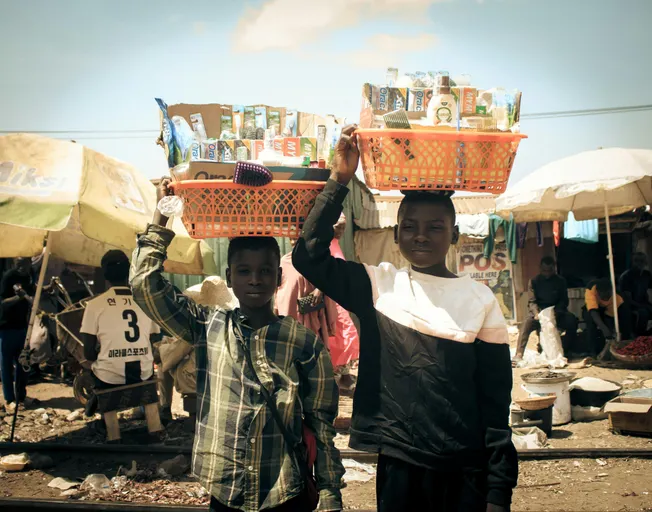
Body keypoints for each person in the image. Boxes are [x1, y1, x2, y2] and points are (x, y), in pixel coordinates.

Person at [293, 126, 516, 512]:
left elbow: (495, 402)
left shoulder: (480, 300)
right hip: (400, 466)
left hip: (465, 470)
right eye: (410, 227)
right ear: (396, 235)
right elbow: (307, 256)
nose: (421, 236)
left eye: (435, 227)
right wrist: (340, 179)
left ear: (455, 233)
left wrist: (498, 491)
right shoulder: (380, 286)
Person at [129, 179, 344, 512]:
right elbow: (144, 284)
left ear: (279, 278)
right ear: (230, 277)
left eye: (265, 271)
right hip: (225, 490)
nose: (255, 279)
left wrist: (330, 491)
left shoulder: (303, 343)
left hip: (284, 491)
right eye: (244, 271)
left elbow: (321, 422)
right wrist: (162, 214)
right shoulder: (206, 325)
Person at [80, 250, 161, 415]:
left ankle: (99, 407)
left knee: (94, 367)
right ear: (129, 271)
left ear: (105, 275)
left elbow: (88, 353)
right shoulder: (145, 303)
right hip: (143, 374)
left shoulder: (94, 305)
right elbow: (153, 341)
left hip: (109, 378)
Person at [514, 257, 578, 361]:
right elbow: (532, 301)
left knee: (572, 321)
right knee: (526, 324)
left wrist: (556, 312)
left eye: (550, 270)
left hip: (556, 310)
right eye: (545, 271)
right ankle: (519, 354)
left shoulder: (560, 281)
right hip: (539, 311)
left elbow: (564, 300)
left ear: (554, 268)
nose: (547, 273)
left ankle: (566, 350)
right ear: (540, 269)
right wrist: (536, 313)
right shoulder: (534, 281)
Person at [0, 258, 36, 412]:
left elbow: (33, 291)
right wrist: (18, 297)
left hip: (23, 327)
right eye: (19, 264)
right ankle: (9, 399)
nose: (22, 267)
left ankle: (21, 396)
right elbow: (3, 302)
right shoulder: (9, 276)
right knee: (6, 365)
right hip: (6, 327)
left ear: (30, 263)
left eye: (25, 264)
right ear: (15, 263)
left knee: (23, 363)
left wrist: (48, 288)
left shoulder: (28, 276)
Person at [583, 278, 632, 355]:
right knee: (590, 321)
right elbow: (593, 312)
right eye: (603, 296)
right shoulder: (590, 290)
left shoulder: (617, 298)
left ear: (611, 291)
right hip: (593, 310)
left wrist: (610, 332)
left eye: (607, 296)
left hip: (607, 311)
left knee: (624, 319)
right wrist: (604, 328)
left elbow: (609, 316)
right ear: (598, 292)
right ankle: (592, 351)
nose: (605, 298)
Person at [618, 252, 652, 336]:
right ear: (632, 262)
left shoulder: (646, 274)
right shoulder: (626, 276)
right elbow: (627, 299)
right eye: (637, 261)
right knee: (643, 313)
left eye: (642, 261)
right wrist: (642, 306)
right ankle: (640, 337)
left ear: (646, 262)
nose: (639, 263)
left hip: (644, 303)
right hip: (629, 305)